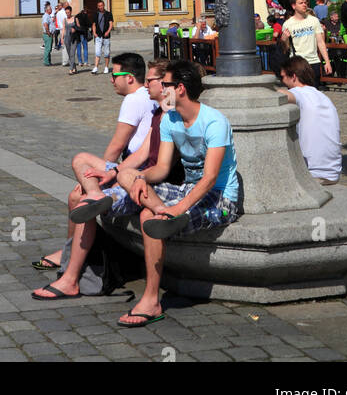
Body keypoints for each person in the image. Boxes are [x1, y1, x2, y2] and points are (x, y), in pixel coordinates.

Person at [35, 60, 240, 328]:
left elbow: (210, 178)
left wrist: (178, 208)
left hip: (220, 197)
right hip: (185, 190)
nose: (160, 89)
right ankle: (119, 203)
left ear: (179, 89)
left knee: (147, 217)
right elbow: (161, 168)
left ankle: (151, 300)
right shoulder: (170, 119)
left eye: (165, 85)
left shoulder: (214, 121)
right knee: (126, 176)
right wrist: (140, 179)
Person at [32, 53, 155, 274]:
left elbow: (117, 146)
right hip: (131, 168)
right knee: (81, 167)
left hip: (134, 173)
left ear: (129, 77)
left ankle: (70, 255)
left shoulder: (134, 100)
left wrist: (97, 178)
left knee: (77, 197)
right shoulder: (147, 96)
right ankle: (69, 251)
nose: (111, 80)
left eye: (114, 75)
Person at [278, 56, 342, 183]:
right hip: (334, 171)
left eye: (283, 77)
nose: (282, 81)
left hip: (313, 173)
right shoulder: (323, 97)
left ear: (294, 77)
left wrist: (265, 90)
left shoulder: (299, 93)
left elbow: (283, 95)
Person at [281, 0, 333, 88]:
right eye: (301, 3)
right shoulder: (287, 24)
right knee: (298, 93)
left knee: (313, 92)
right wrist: (283, 39)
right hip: (297, 63)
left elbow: (320, 42)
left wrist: (327, 62)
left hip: (313, 62)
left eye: (305, 2)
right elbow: (284, 48)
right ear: (294, 6)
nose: (304, 5)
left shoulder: (314, 20)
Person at [92, 0, 114, 75]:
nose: (100, 7)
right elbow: (94, 24)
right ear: (97, 7)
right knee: (97, 52)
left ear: (104, 5)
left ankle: (106, 67)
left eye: (101, 5)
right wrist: (94, 33)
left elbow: (111, 24)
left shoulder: (108, 14)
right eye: (99, 6)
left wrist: (108, 31)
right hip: (98, 36)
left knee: (106, 53)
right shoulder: (96, 14)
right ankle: (95, 67)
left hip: (106, 36)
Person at [41, 2, 55, 66]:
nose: (51, 10)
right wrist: (48, 32)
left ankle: (48, 61)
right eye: (50, 9)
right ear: (47, 10)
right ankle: (46, 62)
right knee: (48, 48)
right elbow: (45, 24)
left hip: (49, 34)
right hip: (47, 34)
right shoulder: (46, 16)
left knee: (49, 48)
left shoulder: (48, 16)